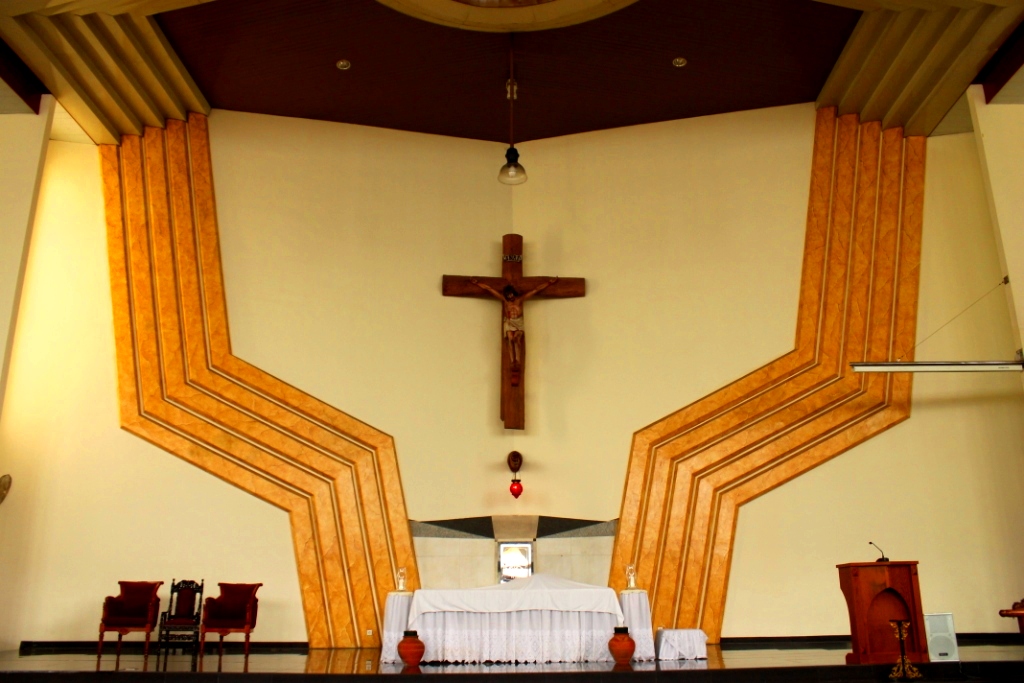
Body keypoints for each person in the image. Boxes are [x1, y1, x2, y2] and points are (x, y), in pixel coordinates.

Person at [470, 277, 558, 374]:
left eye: (511, 295)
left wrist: (549, 283)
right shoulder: (505, 301)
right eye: (508, 296)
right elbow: (490, 289)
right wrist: (477, 283)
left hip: (518, 322)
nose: (510, 298)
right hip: (509, 322)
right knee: (510, 339)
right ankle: (512, 361)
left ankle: (518, 360)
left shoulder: (519, 300)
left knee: (516, 339)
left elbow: (535, 290)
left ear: (514, 293)